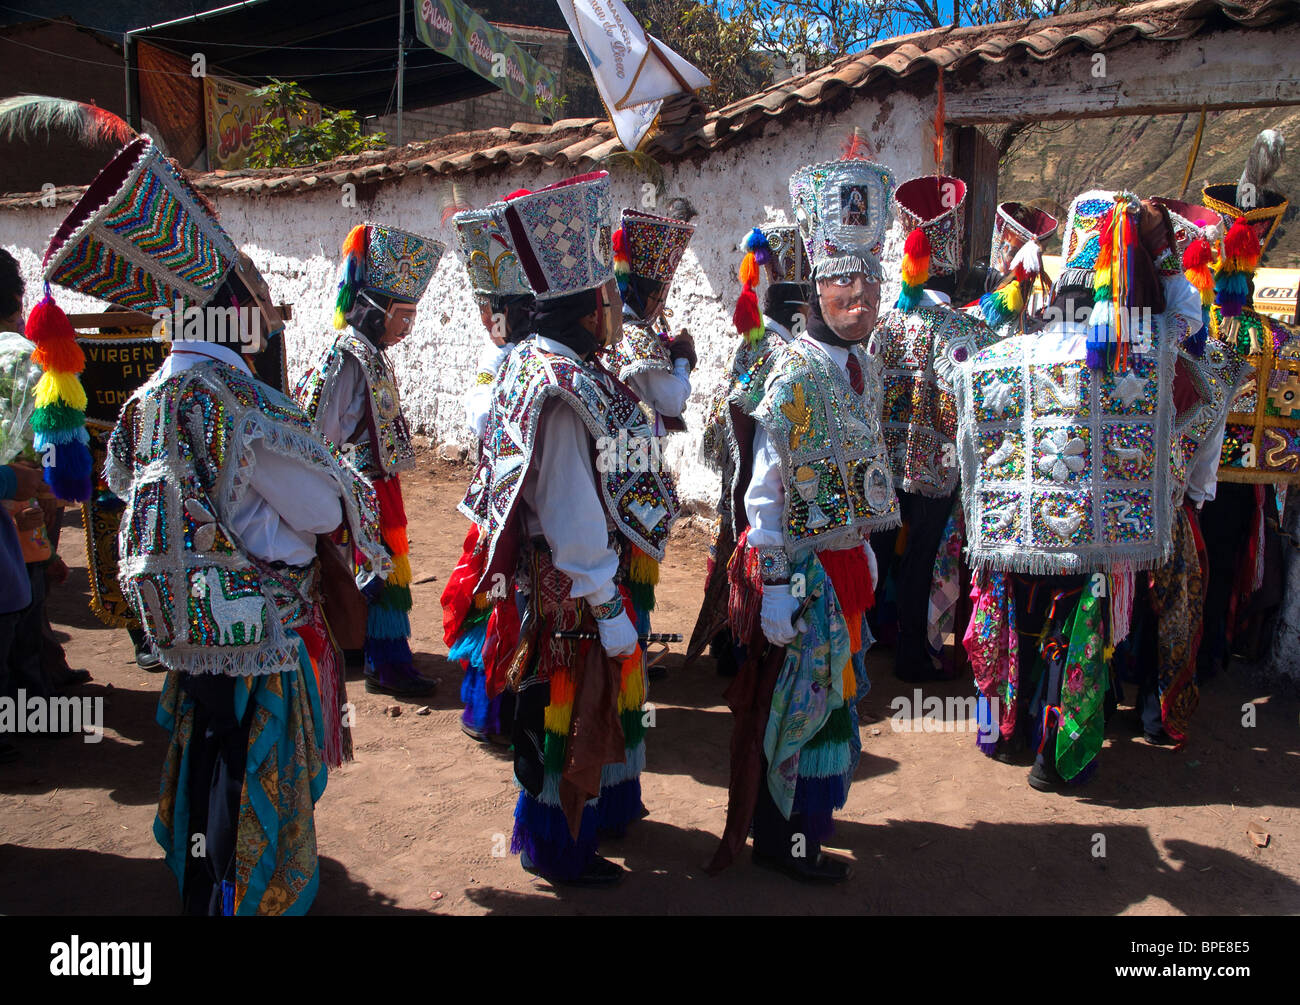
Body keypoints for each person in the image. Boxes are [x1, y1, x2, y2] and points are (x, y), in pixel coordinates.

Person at [43, 135, 391, 913]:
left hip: (185, 626)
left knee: (206, 747)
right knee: (251, 766)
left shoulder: (147, 403)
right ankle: (240, 892)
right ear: (234, 313)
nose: (269, 314)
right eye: (258, 300)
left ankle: (204, 884)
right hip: (260, 626)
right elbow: (325, 508)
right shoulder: (242, 403)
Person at [954, 189, 1240, 789]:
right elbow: (1197, 342)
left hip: (1020, 529)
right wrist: (1161, 255)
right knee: (1073, 640)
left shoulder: (1009, 361)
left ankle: (1009, 731)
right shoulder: (1137, 361)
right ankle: (1051, 758)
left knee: (1025, 627)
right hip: (1095, 535)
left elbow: (969, 354)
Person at [460, 171, 682, 885]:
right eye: (607, 296)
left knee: (596, 701)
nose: (615, 305)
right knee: (569, 708)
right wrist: (605, 594)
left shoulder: (548, 362)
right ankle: (559, 846)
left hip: (576, 573)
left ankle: (601, 809)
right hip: (573, 581)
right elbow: (567, 501)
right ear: (585, 306)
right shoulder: (559, 382)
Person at [710, 155, 900, 882]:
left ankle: (804, 829)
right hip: (803, 574)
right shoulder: (793, 372)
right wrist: (779, 583)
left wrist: (864, 545)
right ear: (815, 288)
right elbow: (764, 490)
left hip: (843, 564)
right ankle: (786, 842)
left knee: (831, 702)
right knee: (797, 710)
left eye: (872, 281)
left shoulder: (865, 370)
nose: (864, 298)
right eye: (846, 283)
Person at [296, 222, 444, 698]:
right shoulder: (348, 356)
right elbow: (323, 426)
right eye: (402, 317)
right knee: (381, 567)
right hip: (362, 482)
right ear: (376, 310)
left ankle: (381, 653)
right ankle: (386, 661)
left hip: (381, 481)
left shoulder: (370, 353)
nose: (405, 328)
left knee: (388, 564)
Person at [868, 175, 999, 682]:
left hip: (884, 458)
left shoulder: (886, 324)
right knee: (921, 555)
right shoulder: (966, 331)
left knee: (878, 547)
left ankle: (860, 639)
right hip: (936, 465)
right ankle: (910, 654)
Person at [689, 224, 811, 671]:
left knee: (734, 548)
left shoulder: (755, 339)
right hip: (760, 474)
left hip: (738, 473)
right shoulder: (784, 351)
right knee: (759, 550)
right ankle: (746, 645)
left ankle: (731, 641)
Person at [444, 200, 535, 744]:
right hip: (504, 500)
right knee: (500, 598)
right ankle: (491, 710)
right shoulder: (500, 356)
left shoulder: (523, 354)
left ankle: (502, 708)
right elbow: (480, 417)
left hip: (515, 497)